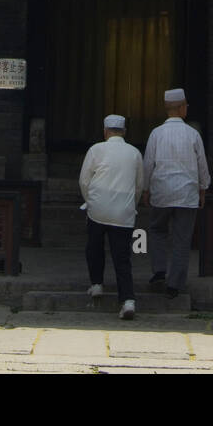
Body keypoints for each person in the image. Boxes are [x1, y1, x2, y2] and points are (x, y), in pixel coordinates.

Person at [142, 88, 210, 299]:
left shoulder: (156, 133)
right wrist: (203, 188)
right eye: (186, 106)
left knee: (156, 230)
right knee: (182, 238)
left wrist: (145, 189)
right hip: (187, 193)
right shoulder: (193, 134)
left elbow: (148, 164)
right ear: (181, 108)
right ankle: (175, 283)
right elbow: (202, 165)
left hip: (161, 192)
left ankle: (159, 271)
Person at [79, 114, 144, 320]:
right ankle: (127, 300)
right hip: (123, 212)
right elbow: (139, 185)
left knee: (94, 246)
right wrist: (131, 205)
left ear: (105, 131)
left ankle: (97, 284)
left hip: (98, 208)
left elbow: (84, 180)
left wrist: (90, 201)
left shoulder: (96, 150)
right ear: (124, 132)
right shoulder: (134, 153)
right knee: (122, 257)